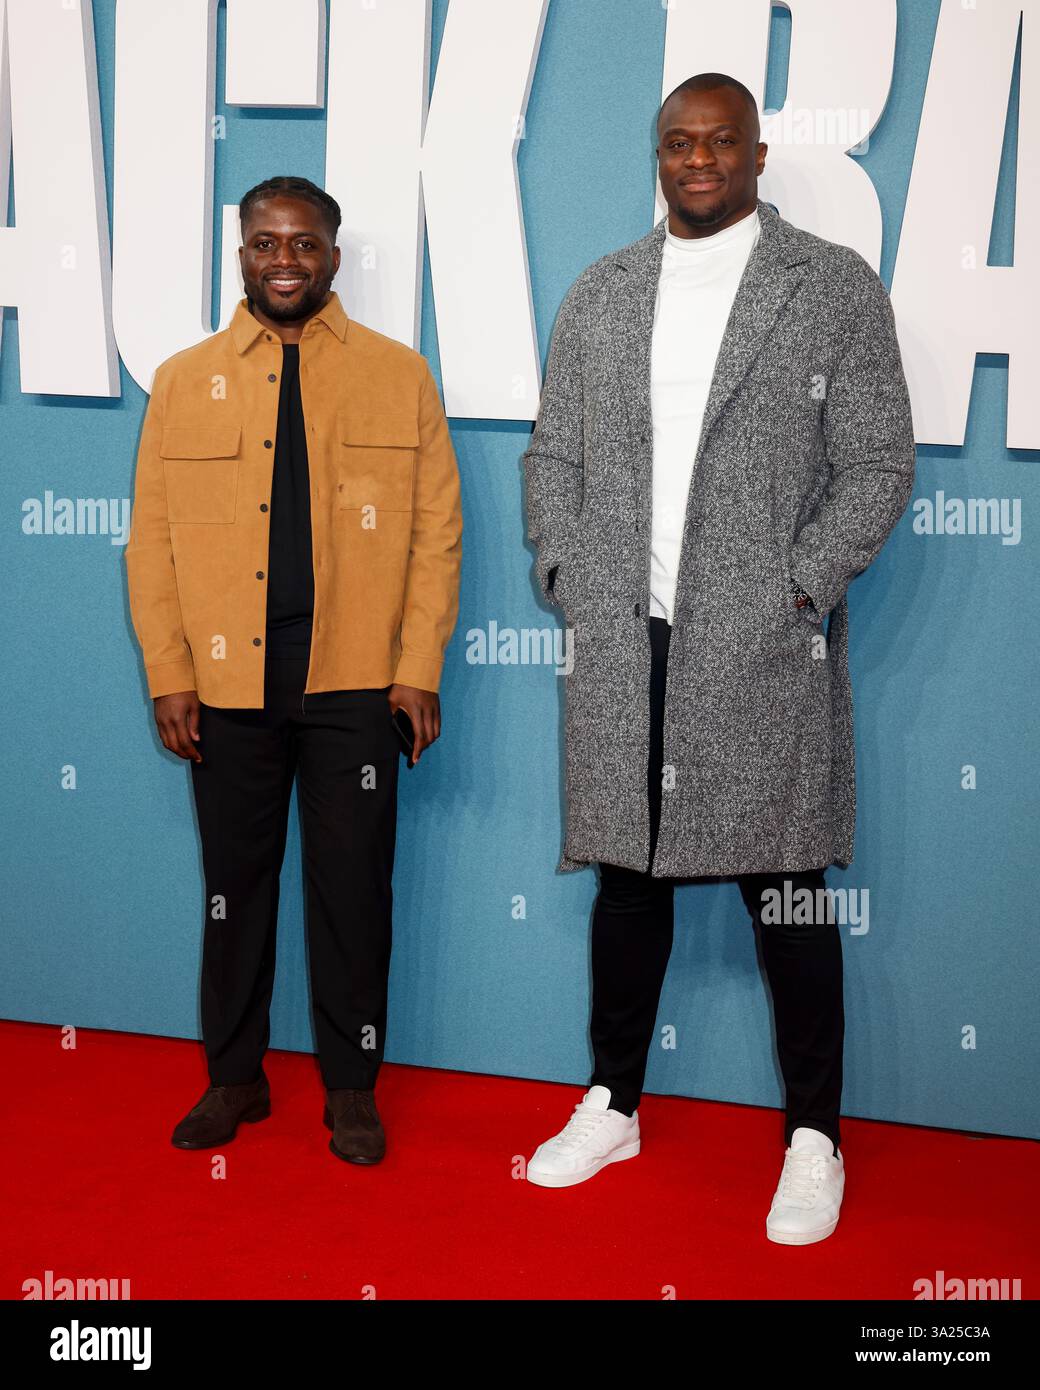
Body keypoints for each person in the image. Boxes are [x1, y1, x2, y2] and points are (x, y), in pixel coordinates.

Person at [522, 75, 915, 1243]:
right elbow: (552, 458)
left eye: (719, 142)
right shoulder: (603, 291)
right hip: (624, 635)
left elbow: (878, 462)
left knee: (786, 888)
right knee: (625, 879)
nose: (697, 160)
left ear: (754, 154)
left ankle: (813, 1134)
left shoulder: (828, 289)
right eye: (677, 143)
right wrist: (567, 575)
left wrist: (799, 582)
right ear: (656, 155)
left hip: (760, 647)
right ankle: (614, 1099)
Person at [124, 175, 462, 1165]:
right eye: (266, 242)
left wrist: (417, 665)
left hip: (354, 685)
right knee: (233, 889)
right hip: (226, 692)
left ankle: (350, 1088)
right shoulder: (185, 380)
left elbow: (438, 532)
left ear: (332, 257)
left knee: (353, 892)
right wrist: (169, 669)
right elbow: (150, 542)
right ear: (241, 255)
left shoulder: (399, 376)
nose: (285, 260)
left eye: (304, 244)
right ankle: (234, 1079)